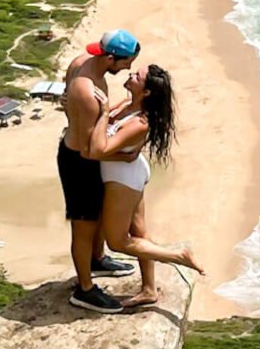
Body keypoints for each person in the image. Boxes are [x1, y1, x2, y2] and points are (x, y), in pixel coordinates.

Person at [89, 62, 205, 308]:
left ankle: (177, 257)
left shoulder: (140, 122)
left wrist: (103, 113)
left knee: (118, 242)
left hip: (123, 180)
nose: (131, 75)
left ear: (147, 91)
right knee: (139, 232)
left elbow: (99, 149)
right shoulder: (126, 105)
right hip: (130, 169)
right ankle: (149, 290)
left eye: (136, 76)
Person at [57, 28, 141, 313]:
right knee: (84, 225)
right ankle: (84, 289)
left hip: (79, 150)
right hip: (80, 162)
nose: (129, 66)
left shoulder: (81, 63)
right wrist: (124, 156)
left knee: (98, 215)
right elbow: (92, 148)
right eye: (126, 61)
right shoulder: (90, 93)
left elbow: (69, 103)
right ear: (109, 58)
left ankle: (97, 259)